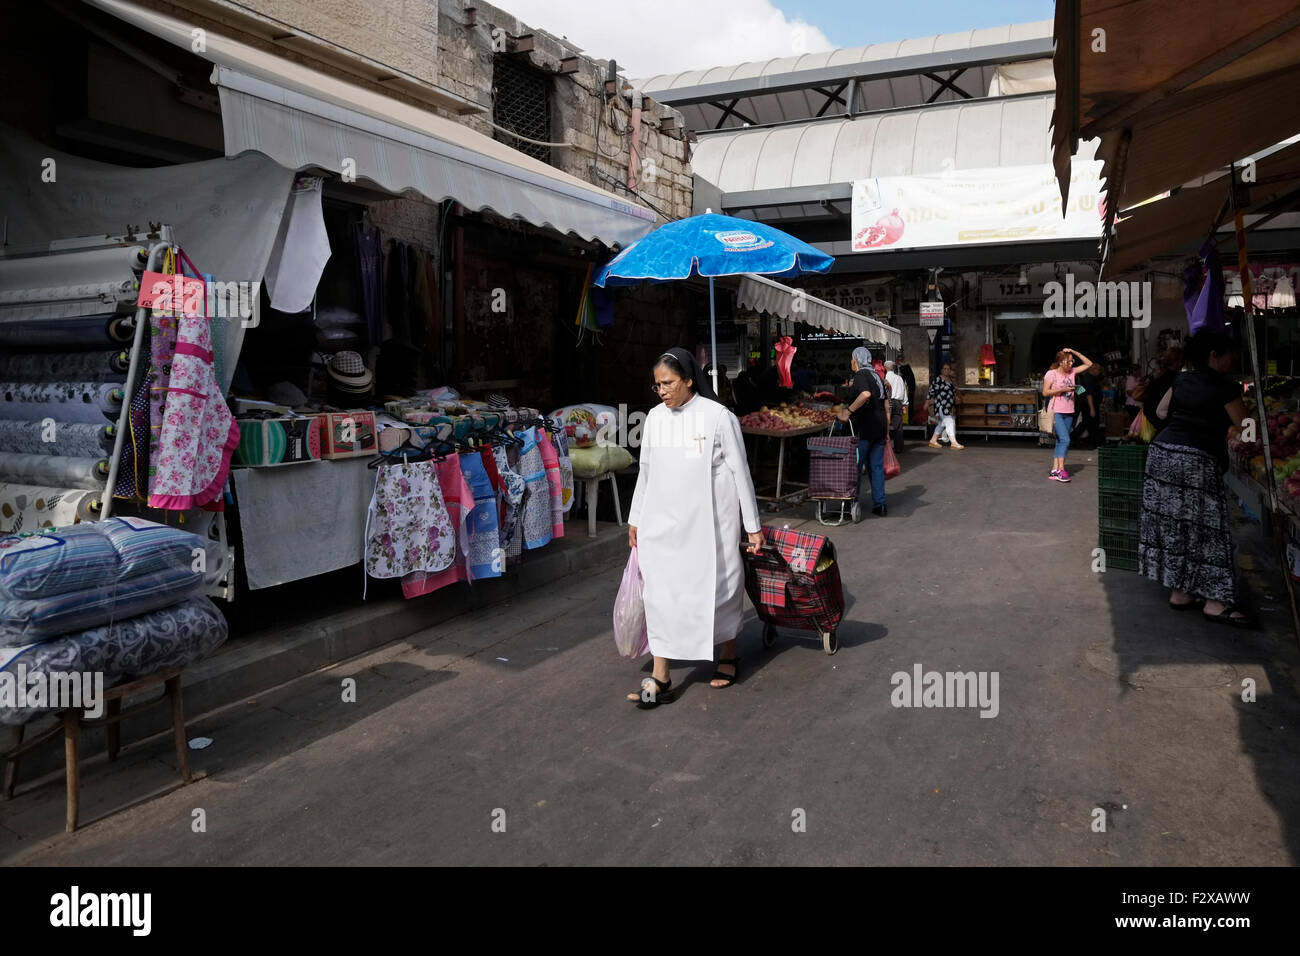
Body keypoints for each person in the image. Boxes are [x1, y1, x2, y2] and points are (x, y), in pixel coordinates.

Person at [625, 348, 765, 707]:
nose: (663, 391)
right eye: (657, 386)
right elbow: (647, 470)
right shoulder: (654, 418)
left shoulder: (718, 417)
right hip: (663, 524)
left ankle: (729, 654)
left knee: (720, 590)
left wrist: (752, 526)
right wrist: (636, 517)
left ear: (688, 378)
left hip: (711, 525)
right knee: (661, 596)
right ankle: (661, 676)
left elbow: (740, 473)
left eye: (668, 383)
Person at [1138, 331, 1250, 626]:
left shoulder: (1182, 380)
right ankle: (1215, 603)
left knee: (1177, 525)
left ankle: (1180, 593)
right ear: (1214, 355)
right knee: (1208, 528)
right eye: (1229, 353)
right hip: (1194, 461)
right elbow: (1249, 431)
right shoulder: (1226, 387)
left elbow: (1161, 411)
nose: (1232, 359)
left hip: (1161, 454)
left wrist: (1187, 423)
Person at [836, 346, 890, 516]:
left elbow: (865, 394)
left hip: (865, 428)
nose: (851, 362)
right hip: (879, 427)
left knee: (856, 467)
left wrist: (848, 411)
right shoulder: (877, 376)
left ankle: (853, 502)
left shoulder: (860, 375)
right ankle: (880, 505)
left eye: (852, 359)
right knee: (876, 467)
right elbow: (886, 406)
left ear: (856, 360)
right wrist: (887, 431)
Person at [1042, 347, 1092, 481]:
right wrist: (1063, 389)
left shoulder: (1072, 372)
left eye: (1072, 361)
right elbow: (1045, 392)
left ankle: (1055, 469)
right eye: (1068, 362)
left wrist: (1074, 352)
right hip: (1056, 411)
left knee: (1060, 440)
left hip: (1069, 412)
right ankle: (1061, 470)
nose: (1071, 364)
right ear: (1060, 362)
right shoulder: (1051, 374)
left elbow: (1089, 364)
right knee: (1066, 440)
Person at [1142, 347, 1185, 435]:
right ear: (1178, 361)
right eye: (1182, 360)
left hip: (1156, 427)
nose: (1182, 363)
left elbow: (1147, 406)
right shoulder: (1178, 380)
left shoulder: (1156, 379)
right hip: (1171, 428)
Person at [925, 361, 963, 450]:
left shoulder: (951, 380)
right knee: (949, 421)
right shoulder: (938, 379)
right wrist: (927, 402)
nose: (946, 370)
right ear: (941, 370)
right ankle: (954, 443)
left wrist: (957, 396)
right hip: (941, 405)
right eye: (944, 369)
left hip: (949, 405)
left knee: (942, 424)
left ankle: (933, 440)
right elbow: (931, 391)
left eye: (948, 369)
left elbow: (953, 391)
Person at [1071, 363, 1104, 449]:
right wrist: (1092, 408)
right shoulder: (1089, 379)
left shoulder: (1086, 378)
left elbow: (1082, 392)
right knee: (1091, 423)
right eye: (1098, 370)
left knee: (1087, 423)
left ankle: (1074, 438)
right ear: (1093, 370)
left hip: (1086, 404)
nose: (1099, 372)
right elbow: (1089, 394)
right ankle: (1093, 442)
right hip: (1089, 405)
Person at [884, 359, 907, 452]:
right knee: (898, 426)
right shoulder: (899, 378)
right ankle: (898, 448)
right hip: (898, 402)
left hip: (887, 402)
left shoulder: (884, 378)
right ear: (893, 368)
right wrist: (904, 404)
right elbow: (904, 391)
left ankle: (884, 448)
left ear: (885, 368)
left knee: (885, 425)